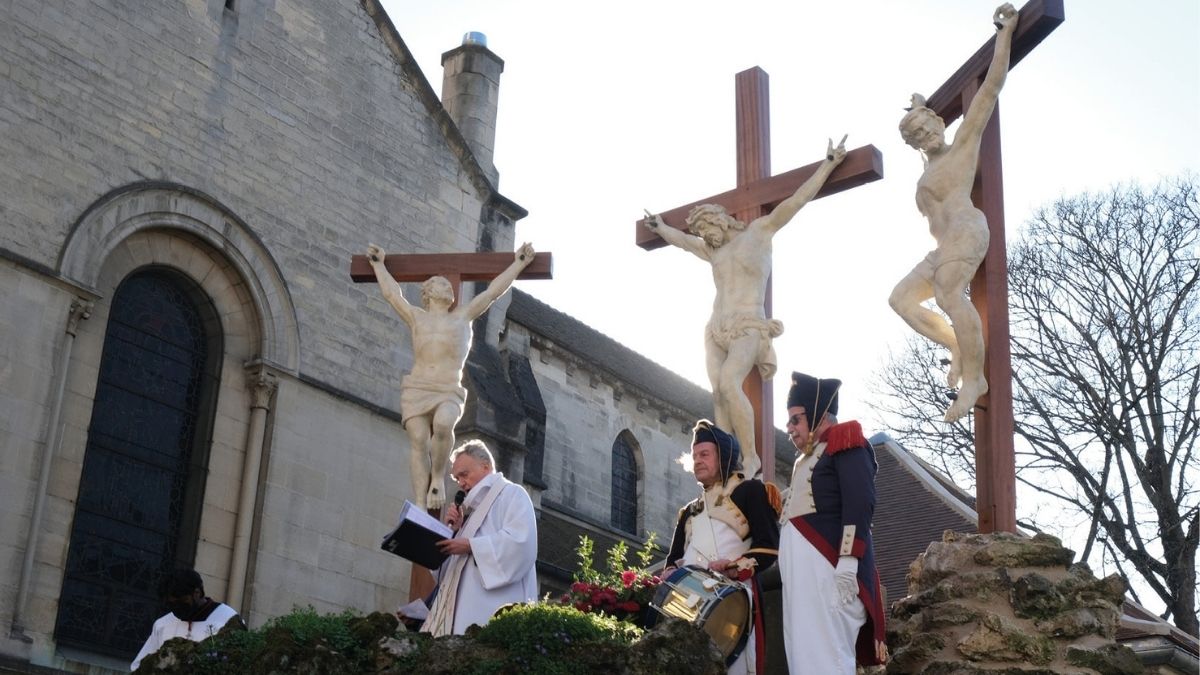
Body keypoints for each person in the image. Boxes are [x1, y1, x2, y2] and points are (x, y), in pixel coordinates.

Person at [644, 137, 848, 477]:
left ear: (722, 220)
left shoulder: (759, 232)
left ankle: (750, 457)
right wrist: (662, 228)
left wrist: (827, 164)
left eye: (708, 228)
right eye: (703, 233)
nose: (706, 236)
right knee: (718, 393)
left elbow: (796, 201)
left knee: (728, 383)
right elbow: (683, 242)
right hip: (716, 327)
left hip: (748, 324)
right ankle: (727, 461)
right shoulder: (713, 251)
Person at [889, 3, 1019, 423]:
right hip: (942, 248)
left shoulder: (963, 145)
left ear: (939, 124)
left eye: (926, 127)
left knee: (948, 294)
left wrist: (1005, 33)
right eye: (916, 136)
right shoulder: (926, 171)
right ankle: (956, 343)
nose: (924, 136)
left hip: (967, 228)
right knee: (901, 300)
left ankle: (975, 380)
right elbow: (922, 129)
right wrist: (918, 107)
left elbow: (991, 86)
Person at [366, 242, 536, 509]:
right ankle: (421, 503)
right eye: (442, 285)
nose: (449, 289)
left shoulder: (462, 317)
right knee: (419, 439)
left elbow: (492, 293)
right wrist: (378, 265)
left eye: (449, 286)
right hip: (417, 387)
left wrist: (519, 263)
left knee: (444, 424)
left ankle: (437, 479)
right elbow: (392, 294)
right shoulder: (416, 318)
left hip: (447, 387)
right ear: (428, 292)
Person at [778, 372, 885, 674]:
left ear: (820, 416)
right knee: (805, 657)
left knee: (827, 657)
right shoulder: (810, 458)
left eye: (796, 419)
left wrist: (849, 560)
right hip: (807, 578)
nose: (790, 428)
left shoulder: (845, 440)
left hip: (830, 569)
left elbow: (859, 502)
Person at [664, 420, 780, 675]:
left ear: (724, 456)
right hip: (688, 605)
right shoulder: (688, 512)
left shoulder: (751, 491)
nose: (697, 461)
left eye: (704, 454)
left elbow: (769, 547)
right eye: (694, 456)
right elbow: (673, 560)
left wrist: (733, 567)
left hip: (734, 600)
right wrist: (669, 572)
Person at [421, 439, 538, 636]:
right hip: (458, 615)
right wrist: (455, 531)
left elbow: (521, 543)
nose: (461, 483)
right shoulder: (470, 514)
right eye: (457, 478)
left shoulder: (512, 494)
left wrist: (471, 546)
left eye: (464, 475)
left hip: (493, 605)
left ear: (486, 466)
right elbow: (446, 574)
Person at [130, 568, 245, 671]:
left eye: (181, 601)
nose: (176, 607)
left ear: (197, 593)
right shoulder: (162, 624)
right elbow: (138, 667)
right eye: (171, 604)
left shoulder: (227, 619)